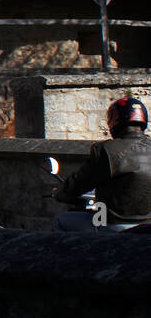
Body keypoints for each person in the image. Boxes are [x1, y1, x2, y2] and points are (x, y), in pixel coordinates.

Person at [53, 97, 151, 232]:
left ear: (114, 121)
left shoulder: (106, 150)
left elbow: (79, 183)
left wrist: (60, 193)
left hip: (112, 224)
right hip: (148, 226)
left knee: (62, 220)